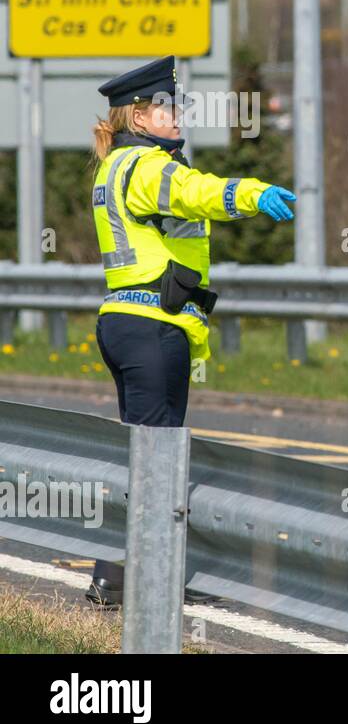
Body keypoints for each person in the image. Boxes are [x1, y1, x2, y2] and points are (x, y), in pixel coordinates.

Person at [86, 56, 297, 607]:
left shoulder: (117, 167)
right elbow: (196, 192)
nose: (178, 114)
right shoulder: (147, 167)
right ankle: (152, 582)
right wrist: (250, 195)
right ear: (138, 117)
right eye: (167, 106)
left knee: (145, 452)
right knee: (159, 458)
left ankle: (116, 574)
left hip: (129, 322)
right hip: (152, 326)